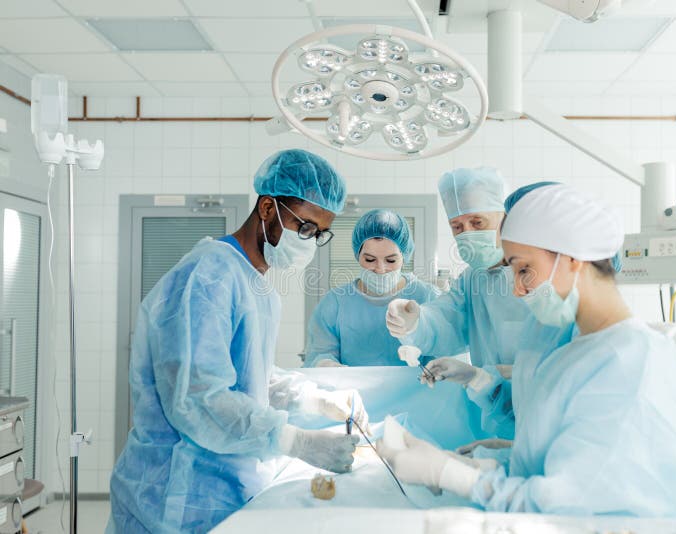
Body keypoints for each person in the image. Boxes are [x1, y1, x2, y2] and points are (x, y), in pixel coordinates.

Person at [378, 182, 676, 517]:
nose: (518, 290)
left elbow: (572, 506)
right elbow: (554, 442)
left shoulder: (630, 364)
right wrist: (495, 460)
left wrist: (457, 475)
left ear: (573, 258)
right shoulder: (573, 346)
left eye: (523, 269)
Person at [108, 149, 369, 533]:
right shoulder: (207, 277)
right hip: (175, 494)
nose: (311, 242)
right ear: (267, 208)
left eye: (320, 234)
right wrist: (296, 440)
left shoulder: (257, 288)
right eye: (306, 227)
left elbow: (251, 378)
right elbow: (199, 397)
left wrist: (314, 398)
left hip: (224, 486)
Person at [385, 168, 569, 438]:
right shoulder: (474, 279)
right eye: (457, 227)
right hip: (498, 412)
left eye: (477, 222)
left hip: (555, 416)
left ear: (505, 219)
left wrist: (487, 376)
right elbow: (447, 319)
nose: (466, 234)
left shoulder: (551, 275)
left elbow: (572, 365)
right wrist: (415, 322)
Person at [304, 209, 440, 367]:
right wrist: (325, 364)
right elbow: (320, 352)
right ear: (358, 255)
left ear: (404, 257)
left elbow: (443, 352)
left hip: (418, 390)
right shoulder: (335, 302)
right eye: (369, 260)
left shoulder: (427, 296)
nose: (380, 269)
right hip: (351, 390)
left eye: (391, 260)